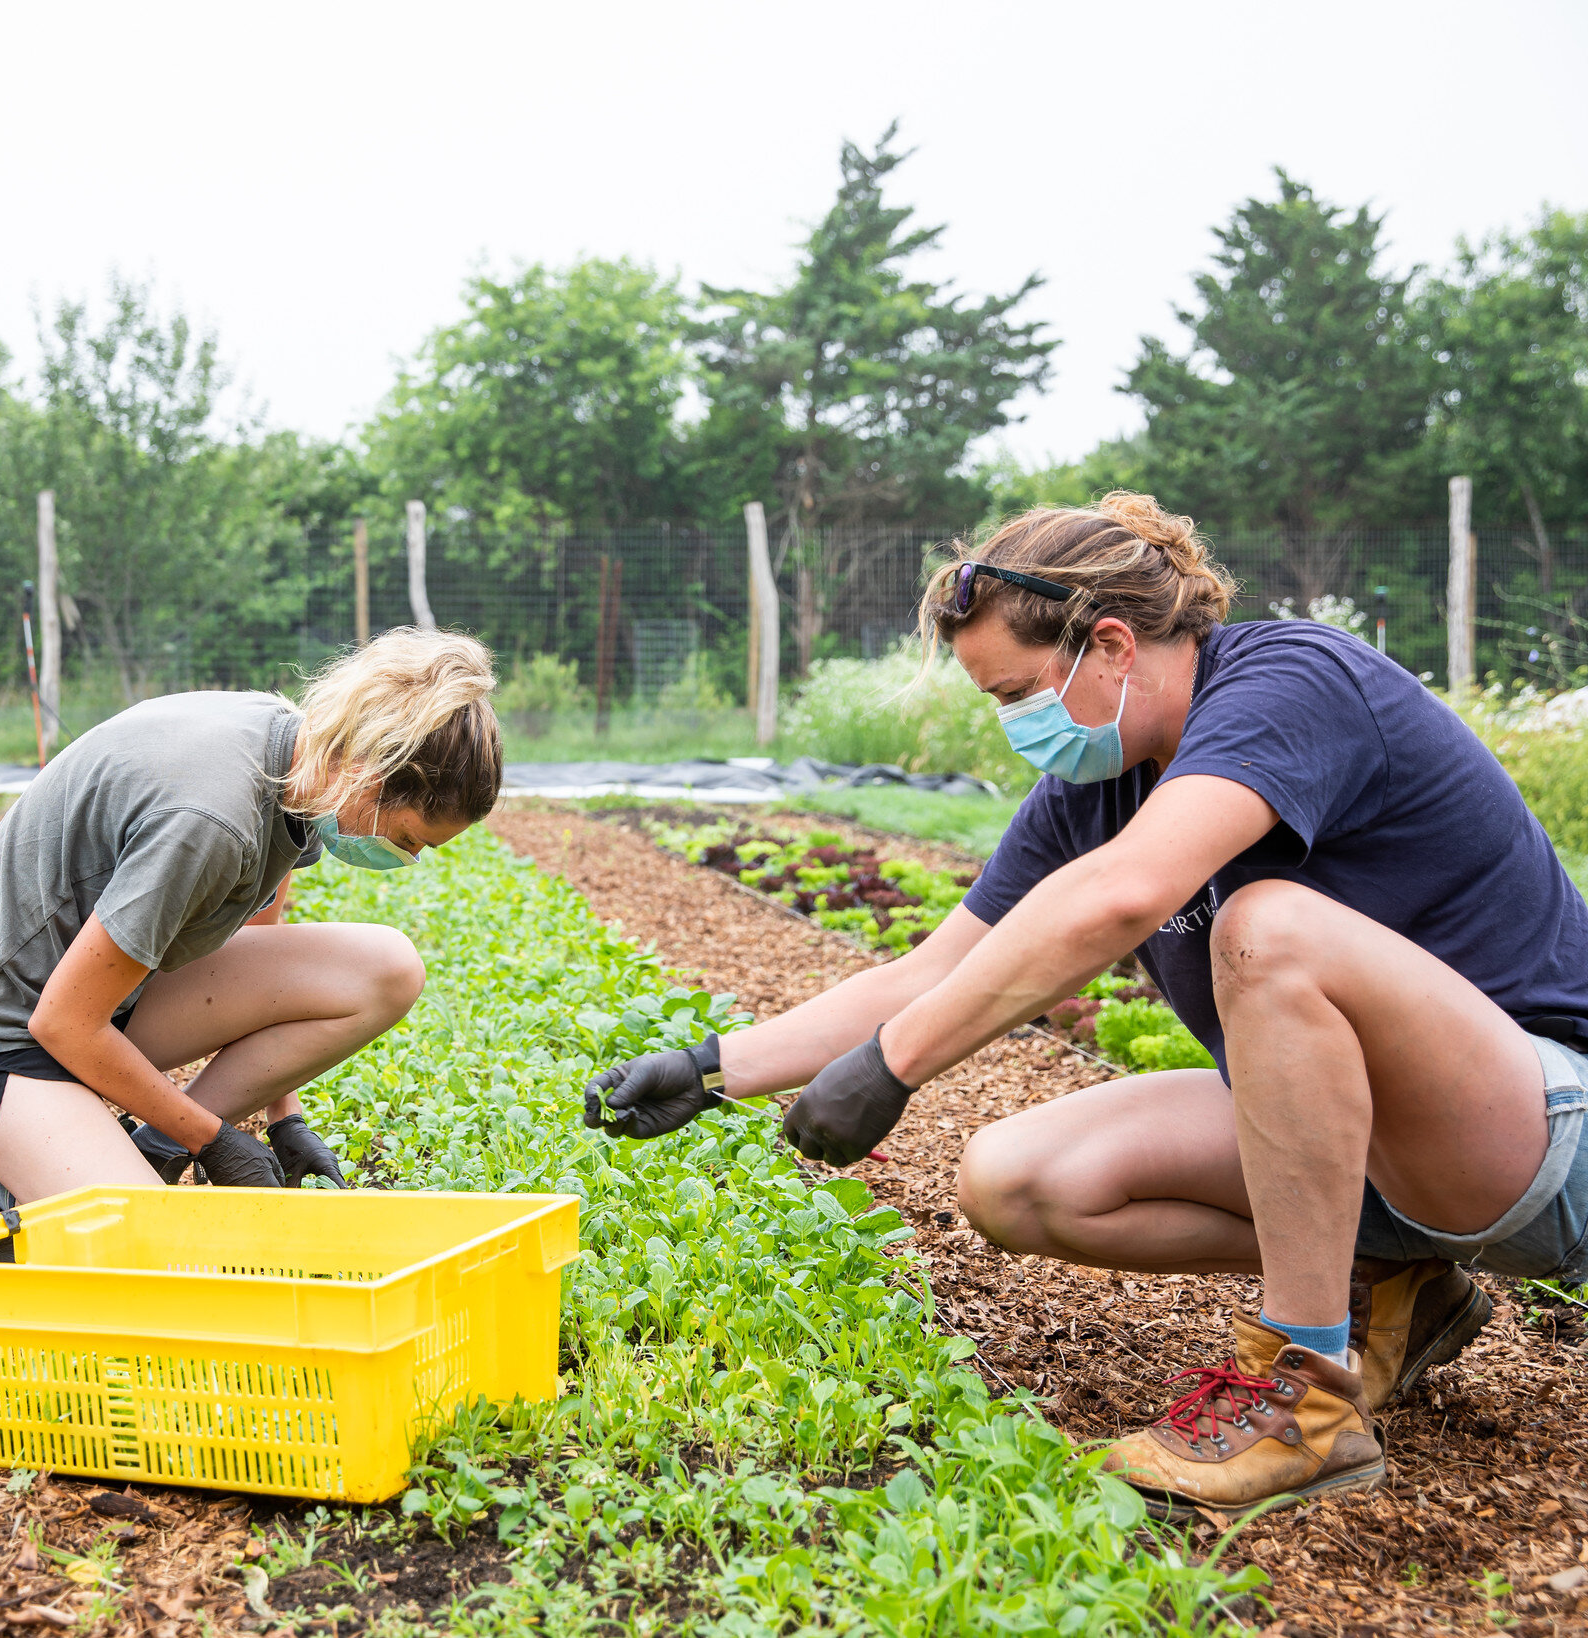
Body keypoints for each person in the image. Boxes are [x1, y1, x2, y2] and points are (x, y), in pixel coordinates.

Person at [585, 492, 1588, 1521]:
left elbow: (1121, 895)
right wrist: (713, 1067)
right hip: (1382, 1156)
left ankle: (1301, 1398)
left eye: (1016, 690)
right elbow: (925, 972)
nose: (1012, 723)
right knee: (1014, 1180)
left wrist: (894, 1067)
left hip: (1538, 1129)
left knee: (1268, 927)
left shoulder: (1294, 681)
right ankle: (1398, 1279)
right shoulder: (1094, 785)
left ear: (1109, 644)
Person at [0, 628, 501, 1225]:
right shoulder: (210, 820)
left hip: (101, 995)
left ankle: (141, 1149)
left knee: (387, 970)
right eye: (404, 839)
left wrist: (283, 1115)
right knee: (149, 1243)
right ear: (372, 765)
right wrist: (212, 1137)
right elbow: (62, 1021)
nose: (402, 859)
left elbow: (263, 942)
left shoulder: (304, 767)